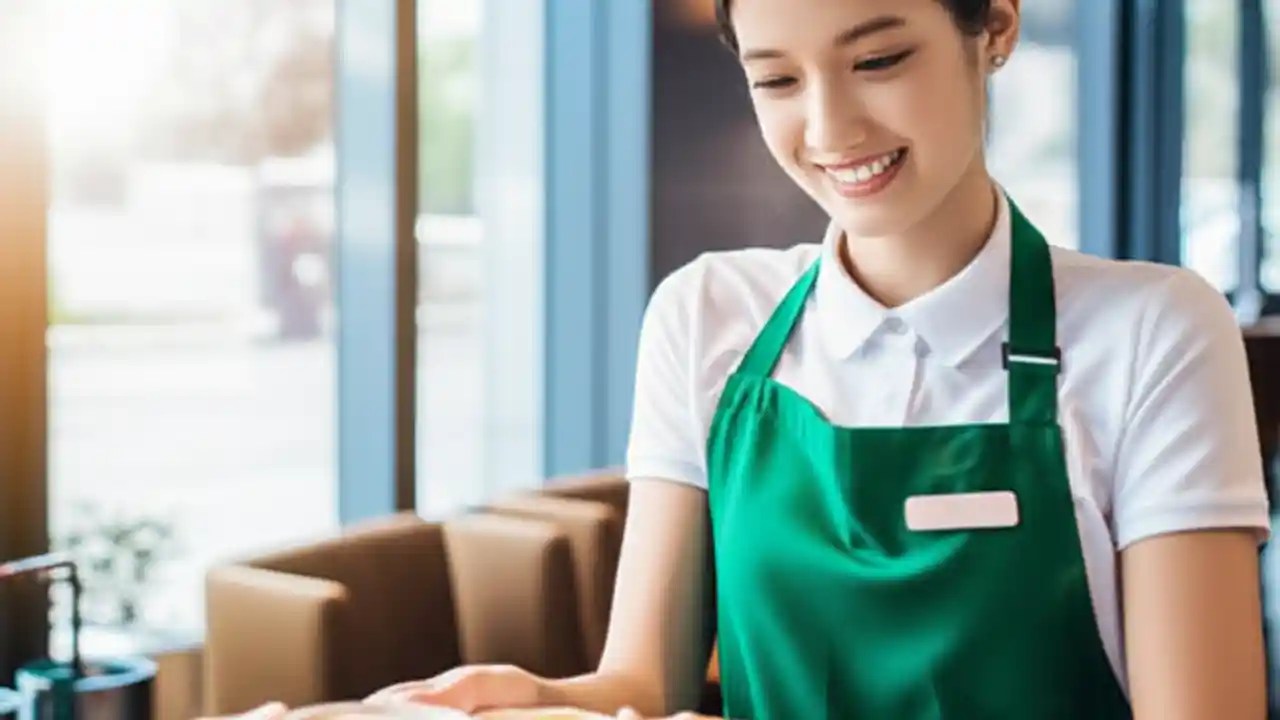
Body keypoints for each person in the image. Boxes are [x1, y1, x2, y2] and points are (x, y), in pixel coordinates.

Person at [227, 1, 1272, 718]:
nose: (828, 126)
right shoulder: (704, 316)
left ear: (990, 27)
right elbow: (642, 683)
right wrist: (540, 698)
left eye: (876, 59)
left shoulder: (1151, 335)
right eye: (774, 79)